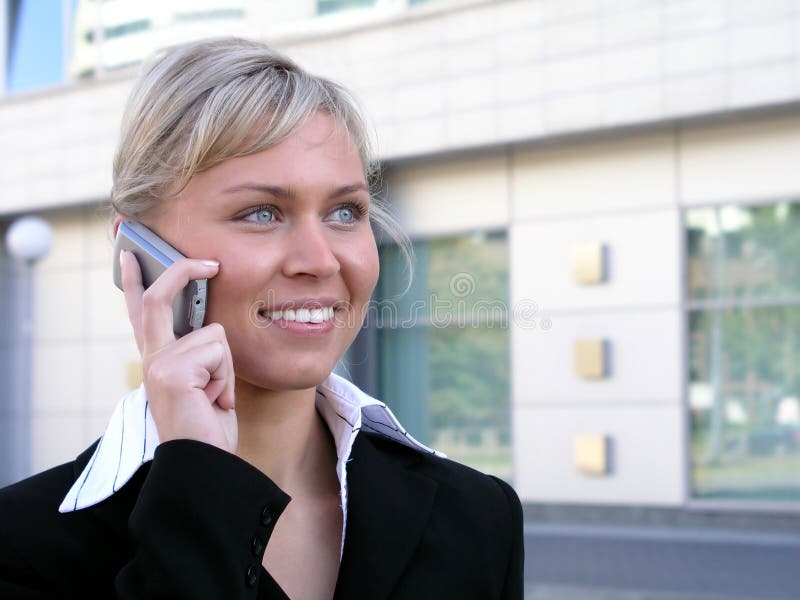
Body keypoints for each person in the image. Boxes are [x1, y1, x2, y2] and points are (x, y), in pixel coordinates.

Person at [0, 38, 523, 599]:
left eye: (345, 212)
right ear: (139, 254)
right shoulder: (23, 547)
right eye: (261, 213)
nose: (320, 260)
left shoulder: (478, 516)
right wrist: (199, 479)